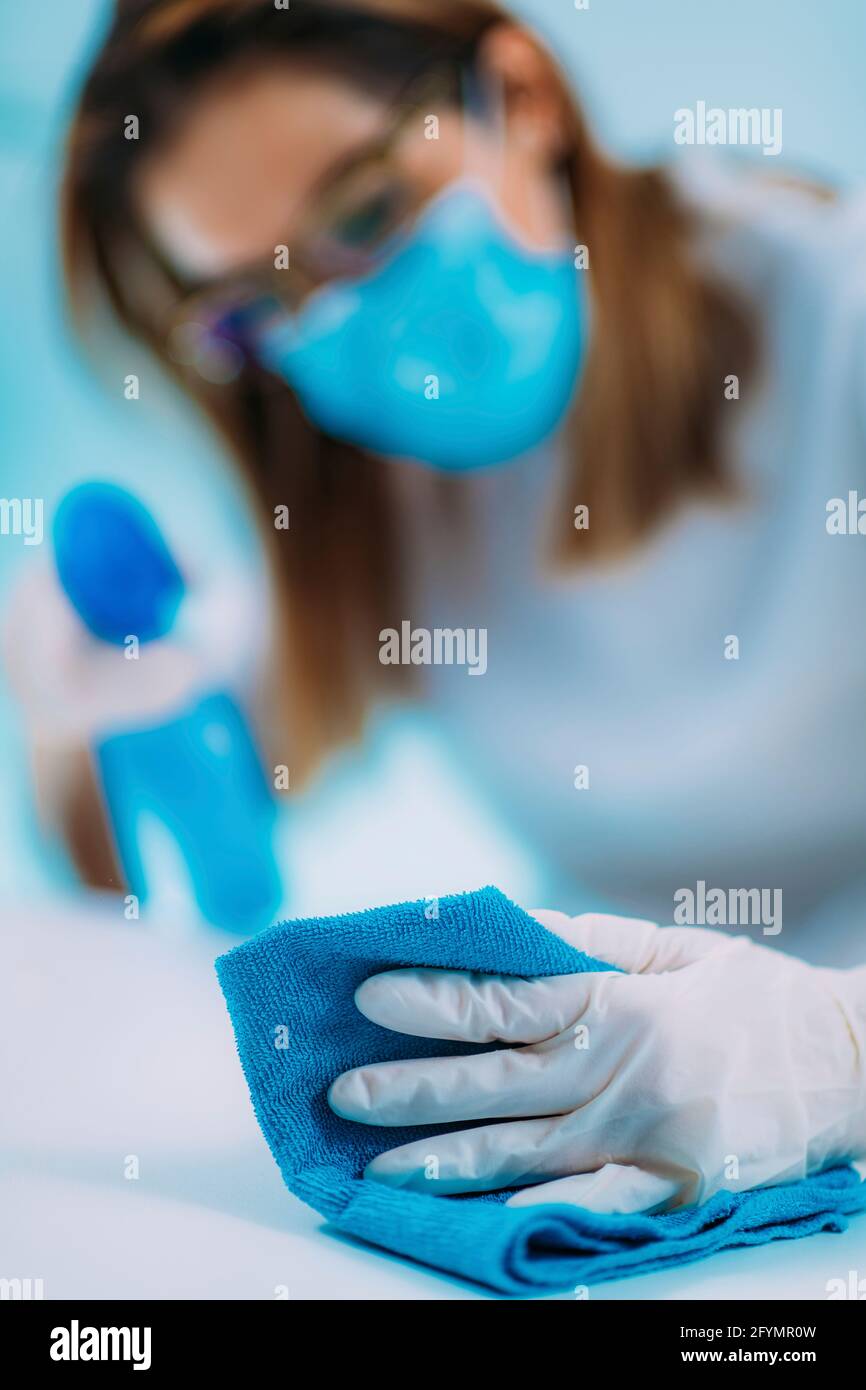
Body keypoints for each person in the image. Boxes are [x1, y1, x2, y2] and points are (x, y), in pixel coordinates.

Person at [29, 0, 866, 1210]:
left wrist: (830, 1051)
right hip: (633, 1119)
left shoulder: (835, 318)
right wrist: (87, 717)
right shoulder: (366, 487)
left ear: (515, 96)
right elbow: (186, 833)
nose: (338, 320)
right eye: (251, 307)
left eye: (367, 210)